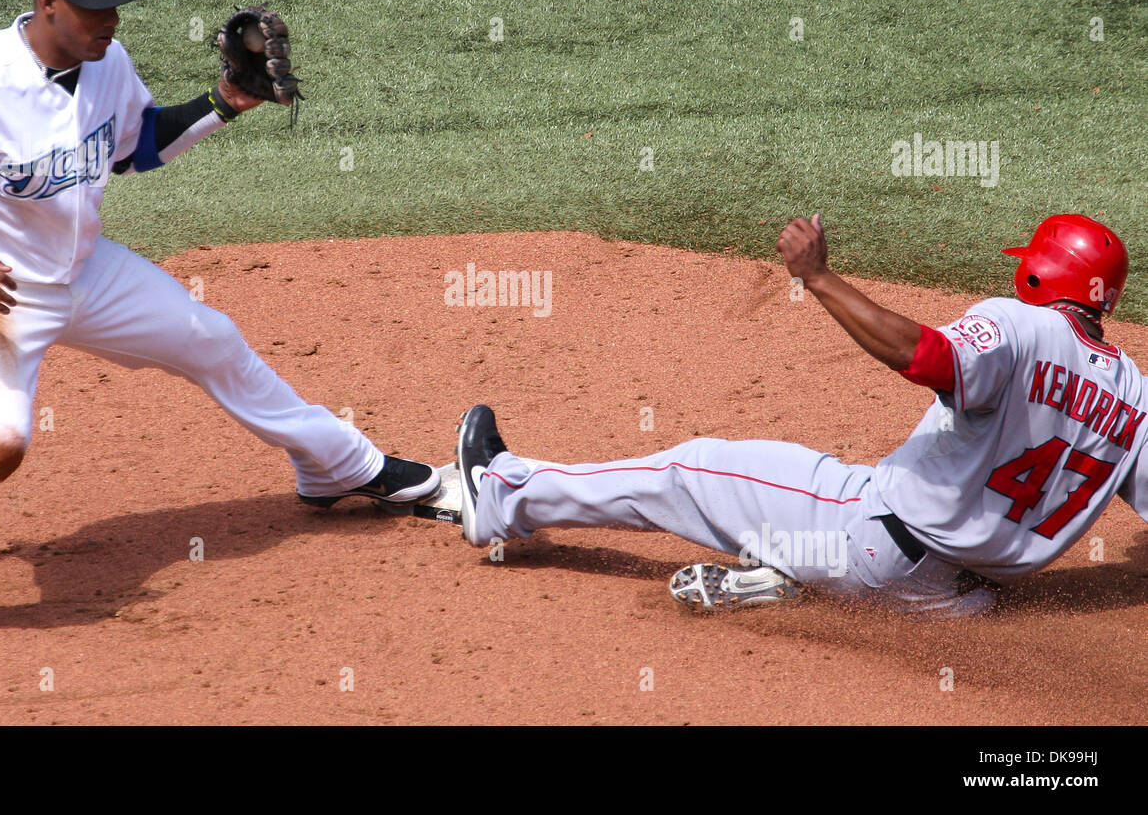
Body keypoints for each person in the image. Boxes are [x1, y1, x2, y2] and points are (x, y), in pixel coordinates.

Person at [0, 0, 439, 650]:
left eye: (116, 4)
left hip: (87, 272)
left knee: (212, 339)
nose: (111, 20)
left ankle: (338, 467)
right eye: (95, 7)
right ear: (48, 3)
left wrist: (225, 100)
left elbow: (135, 147)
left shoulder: (108, 61)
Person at [455, 213, 1148, 617]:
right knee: (823, 511)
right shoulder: (1135, 397)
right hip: (966, 600)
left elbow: (929, 357)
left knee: (687, 471)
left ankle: (500, 497)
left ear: (1036, 276)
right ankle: (789, 571)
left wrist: (816, 277)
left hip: (879, 546)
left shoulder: (1019, 327)